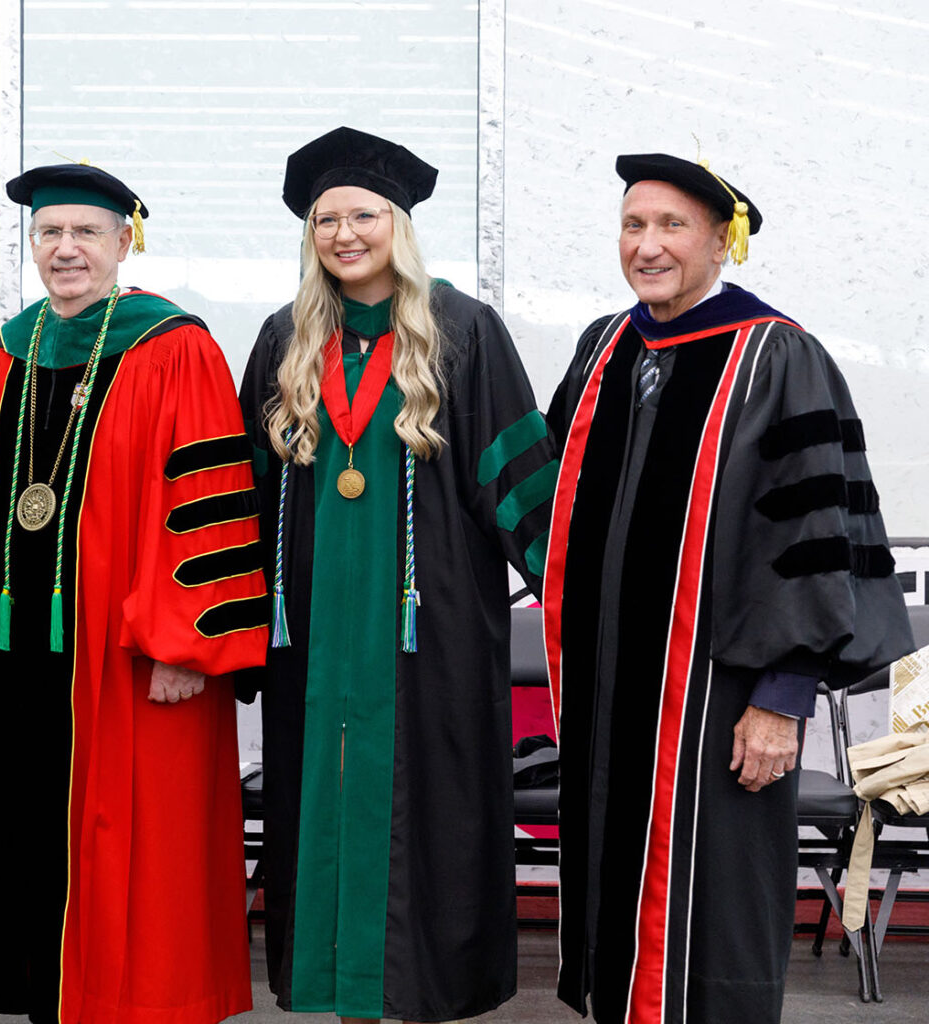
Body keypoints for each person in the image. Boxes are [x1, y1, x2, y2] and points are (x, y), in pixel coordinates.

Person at [543, 152, 914, 1024]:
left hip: (722, 698)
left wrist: (783, 698)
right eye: (634, 226)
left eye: (672, 226)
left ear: (721, 241)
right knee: (614, 904)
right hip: (610, 696)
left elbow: (818, 536)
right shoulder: (604, 347)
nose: (648, 246)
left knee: (713, 913)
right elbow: (551, 506)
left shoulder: (776, 356)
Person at [237, 126, 555, 1023]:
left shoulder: (462, 329)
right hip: (312, 637)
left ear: (398, 223)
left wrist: (582, 599)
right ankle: (338, 989)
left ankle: (416, 996)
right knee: (321, 801)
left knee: (431, 806)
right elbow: (247, 495)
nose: (345, 234)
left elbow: (520, 480)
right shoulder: (283, 338)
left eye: (363, 215)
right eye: (326, 219)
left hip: (433, 631)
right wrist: (229, 631)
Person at [0, 163, 268, 1024]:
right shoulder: (3, 353)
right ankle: (47, 998)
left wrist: (184, 644)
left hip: (129, 655)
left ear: (124, 241)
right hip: (24, 654)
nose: (66, 250)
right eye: (49, 234)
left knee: (139, 850)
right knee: (34, 835)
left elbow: (204, 503)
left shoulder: (174, 345)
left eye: (86, 233)